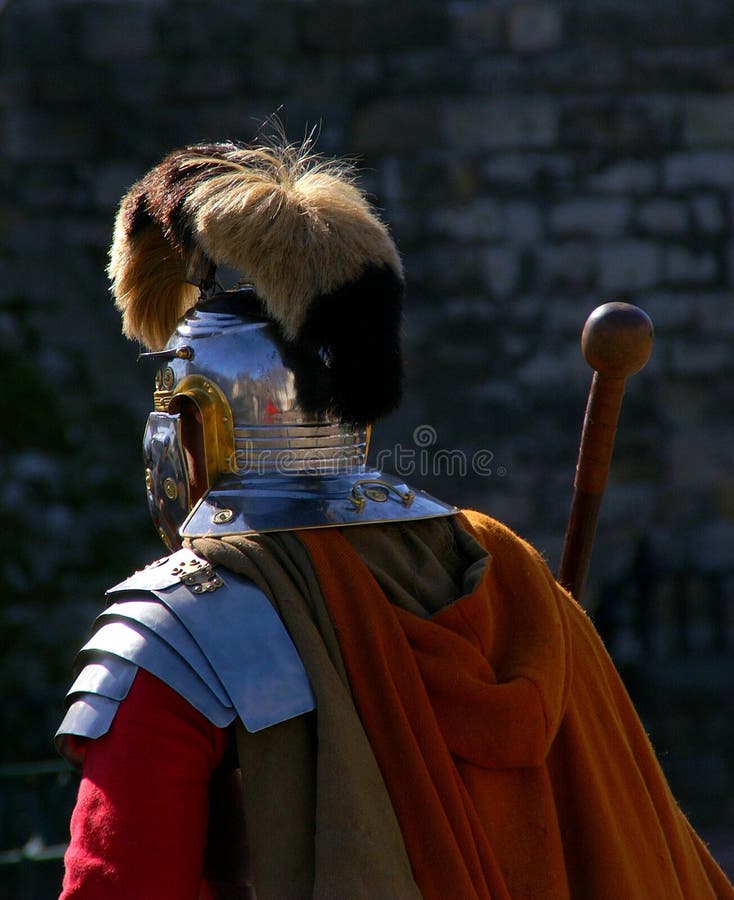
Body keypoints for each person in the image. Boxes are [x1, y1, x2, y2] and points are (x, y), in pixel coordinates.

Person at [56, 135, 733, 899]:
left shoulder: (183, 637)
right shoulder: (518, 590)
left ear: (191, 430)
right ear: (357, 412)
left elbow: (118, 880)